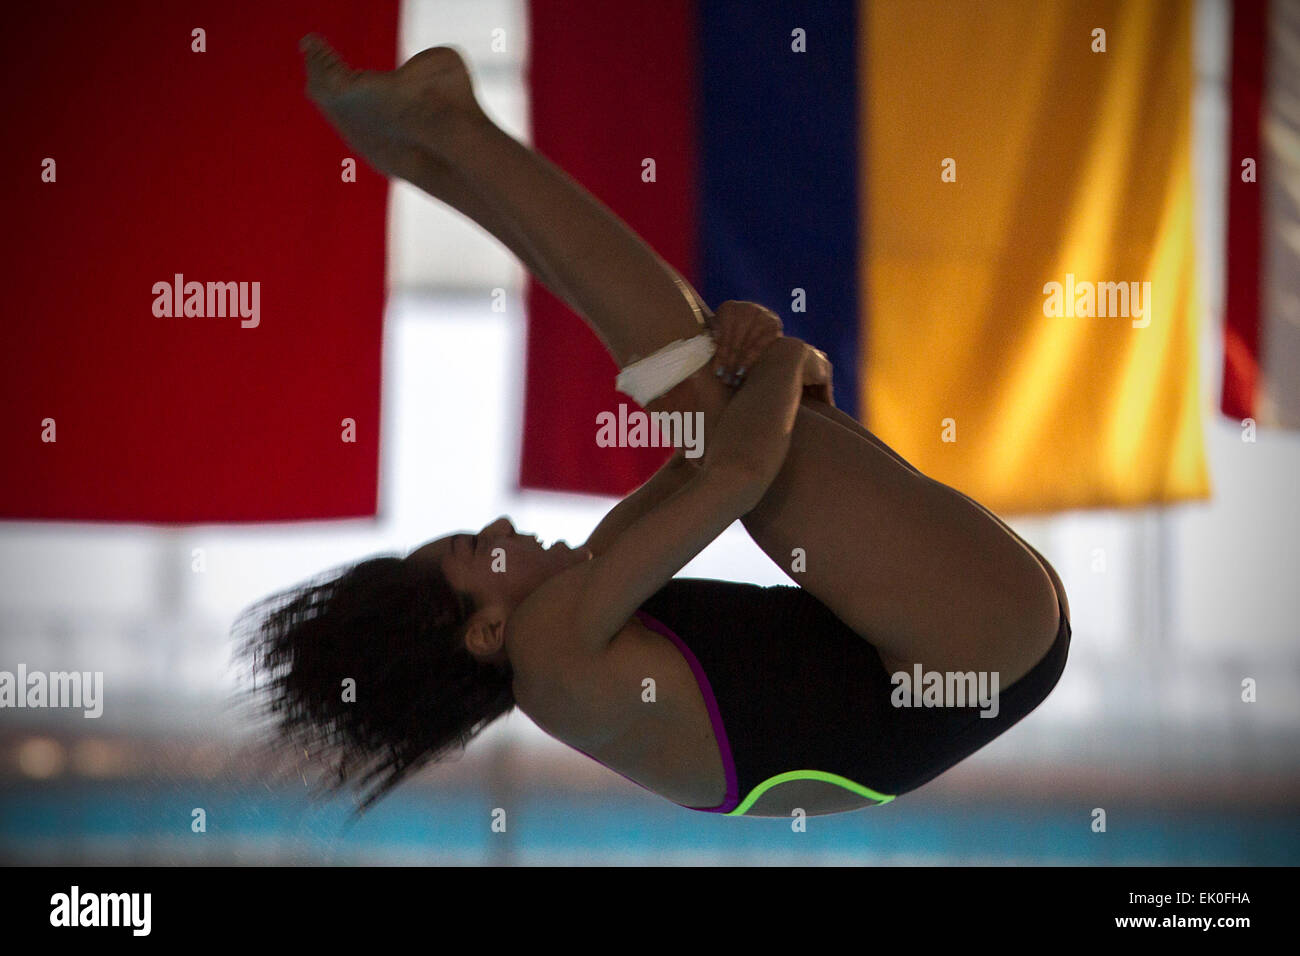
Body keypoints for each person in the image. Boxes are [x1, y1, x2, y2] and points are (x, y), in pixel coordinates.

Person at [233, 36, 1071, 818]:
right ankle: (443, 132)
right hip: (968, 645)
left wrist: (774, 369)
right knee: (688, 375)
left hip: (980, 644)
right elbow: (737, 469)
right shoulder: (551, 652)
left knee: (689, 374)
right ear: (485, 629)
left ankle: (433, 149)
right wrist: (781, 362)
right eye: (473, 549)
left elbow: (716, 430)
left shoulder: (572, 635)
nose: (494, 526)